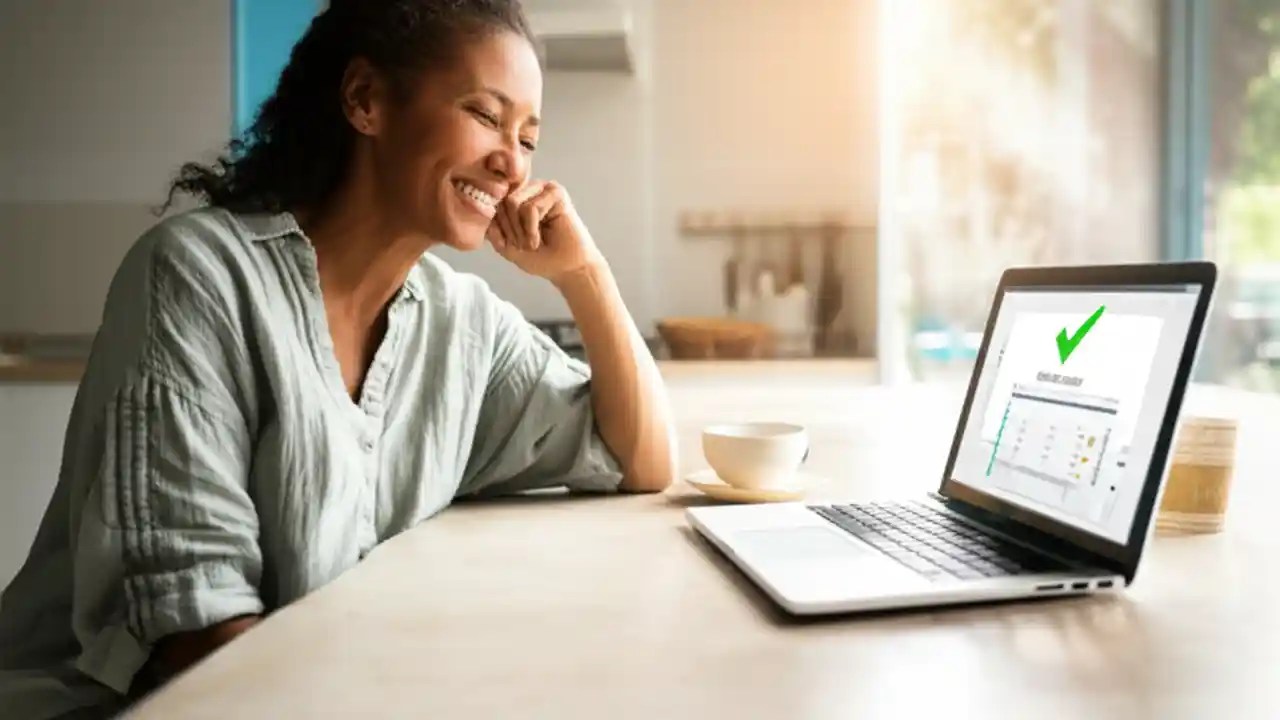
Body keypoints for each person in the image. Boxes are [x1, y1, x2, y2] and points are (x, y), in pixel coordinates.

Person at [0, 1, 677, 716]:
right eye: (484, 115)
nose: (512, 161)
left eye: (528, 136)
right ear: (365, 101)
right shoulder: (197, 277)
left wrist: (585, 273)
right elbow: (195, 638)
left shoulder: (460, 321)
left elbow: (641, 458)